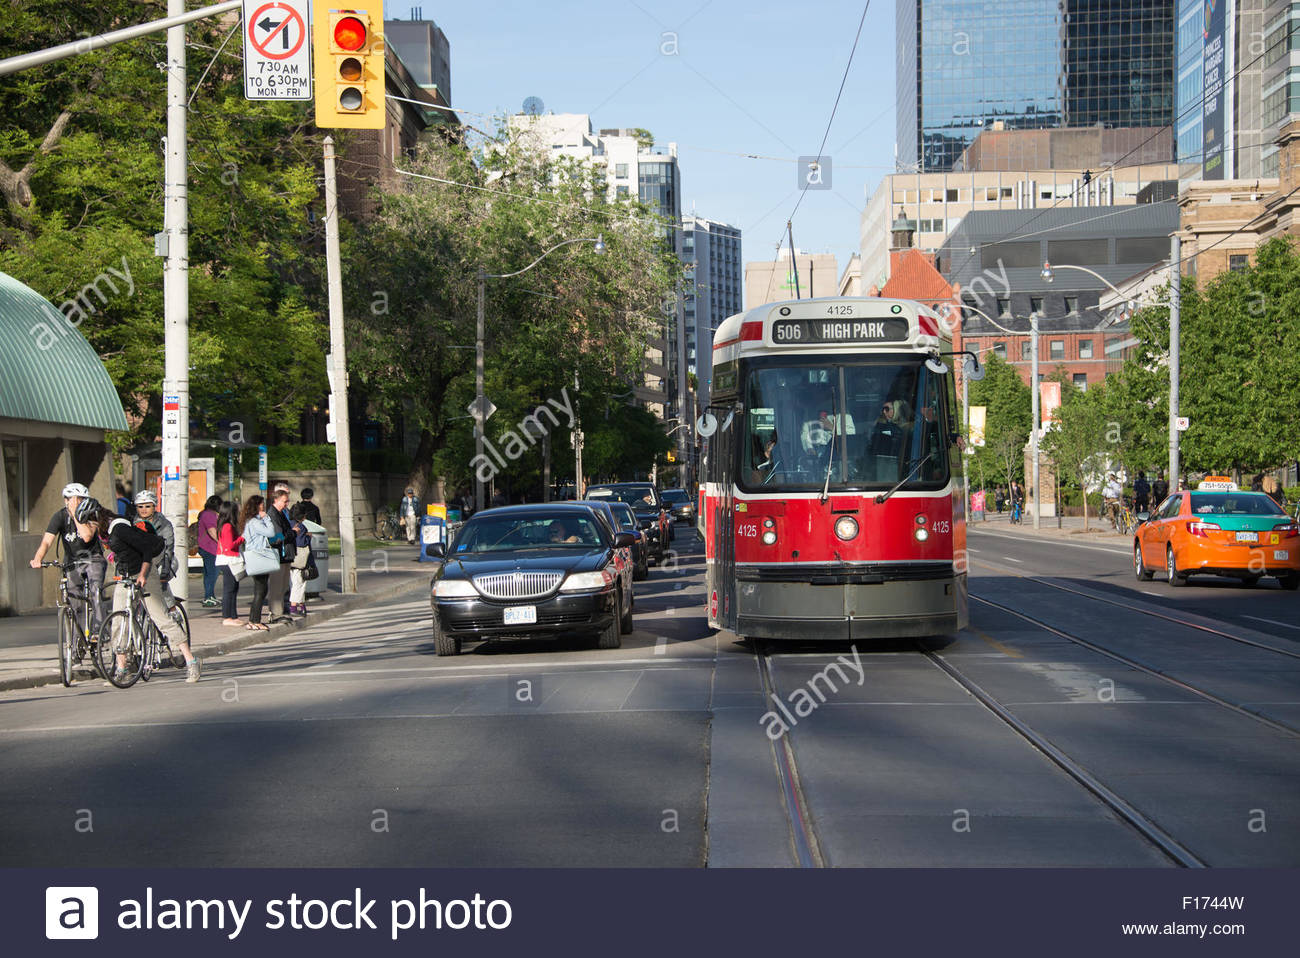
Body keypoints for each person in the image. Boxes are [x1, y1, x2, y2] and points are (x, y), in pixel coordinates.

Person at [95, 499, 200, 683]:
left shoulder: (120, 529)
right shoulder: (105, 532)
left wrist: (143, 575)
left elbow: (146, 550)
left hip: (146, 566)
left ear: (93, 521)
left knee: (160, 616)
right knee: (119, 621)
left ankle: (191, 661)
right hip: (127, 572)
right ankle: (122, 668)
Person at [30, 482, 108, 641]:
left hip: (93, 559)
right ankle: (75, 644)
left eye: (81, 500)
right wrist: (38, 559)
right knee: (74, 603)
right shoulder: (59, 516)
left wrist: (75, 514)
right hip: (72, 562)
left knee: (96, 591)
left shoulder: (93, 514)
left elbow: (87, 536)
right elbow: (46, 541)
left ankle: (99, 630)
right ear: (66, 500)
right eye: (74, 500)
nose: (77, 503)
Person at [133, 490, 178, 605]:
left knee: (159, 585)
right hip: (143, 562)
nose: (144, 509)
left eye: (148, 506)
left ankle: (172, 609)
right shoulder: (132, 523)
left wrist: (165, 571)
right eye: (140, 506)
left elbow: (168, 548)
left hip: (164, 560)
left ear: (154, 506)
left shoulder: (164, 524)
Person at [240, 495, 277, 631]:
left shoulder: (248, 521)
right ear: (257, 506)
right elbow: (271, 532)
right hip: (259, 556)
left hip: (255, 556)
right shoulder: (255, 522)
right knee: (260, 591)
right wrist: (266, 518)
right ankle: (254, 620)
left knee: (260, 590)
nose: (263, 506)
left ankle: (254, 620)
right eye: (261, 504)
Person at [266, 487, 294, 623]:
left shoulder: (281, 513)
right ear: (276, 500)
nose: (286, 504)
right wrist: (293, 532)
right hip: (278, 553)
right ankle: (275, 613)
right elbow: (278, 536)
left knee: (283, 585)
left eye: (287, 501)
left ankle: (280, 610)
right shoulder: (273, 514)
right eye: (284, 501)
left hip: (285, 554)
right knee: (277, 585)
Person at [215, 499, 244, 627]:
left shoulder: (225, 525)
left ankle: (233, 615)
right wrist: (242, 538)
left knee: (233, 588)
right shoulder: (227, 526)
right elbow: (229, 546)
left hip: (229, 559)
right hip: (228, 560)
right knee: (229, 589)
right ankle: (227, 616)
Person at [195, 494, 222, 607]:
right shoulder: (209, 515)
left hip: (206, 547)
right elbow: (212, 531)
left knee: (208, 573)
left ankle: (210, 595)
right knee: (212, 573)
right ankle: (208, 597)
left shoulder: (205, 514)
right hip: (210, 547)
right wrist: (221, 542)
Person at [286, 503, 312, 617]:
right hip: (299, 558)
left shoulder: (288, 523)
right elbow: (301, 542)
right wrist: (308, 537)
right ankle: (293, 606)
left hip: (289, 557)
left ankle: (302, 605)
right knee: (299, 583)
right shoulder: (301, 527)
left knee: (295, 581)